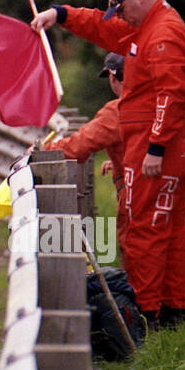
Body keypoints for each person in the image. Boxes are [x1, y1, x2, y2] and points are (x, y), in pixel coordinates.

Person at [31, 0, 185, 331]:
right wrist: (60, 14)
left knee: (144, 230)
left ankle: (145, 315)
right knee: (168, 228)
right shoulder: (144, 27)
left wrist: (155, 147)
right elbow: (103, 28)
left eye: (123, 9)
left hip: (158, 148)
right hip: (172, 144)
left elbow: (172, 94)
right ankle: (172, 312)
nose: (120, 17)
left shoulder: (162, 34)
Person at [45, 52, 127, 259]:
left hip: (136, 198)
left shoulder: (119, 111)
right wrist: (119, 160)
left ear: (112, 77)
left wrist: (43, 151)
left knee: (138, 256)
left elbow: (78, 146)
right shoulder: (159, 103)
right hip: (170, 194)